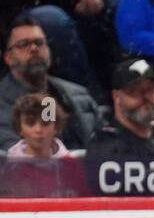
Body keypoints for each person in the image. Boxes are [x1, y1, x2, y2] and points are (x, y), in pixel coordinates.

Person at [0, 17, 101, 152]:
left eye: (39, 43)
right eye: (24, 44)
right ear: (8, 57)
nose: (34, 49)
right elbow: (14, 157)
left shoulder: (79, 94)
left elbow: (106, 145)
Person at [84, 57, 154, 197]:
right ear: (116, 96)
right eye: (134, 91)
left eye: (149, 89)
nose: (145, 97)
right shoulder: (104, 143)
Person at [6, 93, 75, 159]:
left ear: (56, 127)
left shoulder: (70, 165)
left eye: (45, 123)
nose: (38, 130)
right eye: (30, 123)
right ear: (19, 128)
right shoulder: (7, 165)